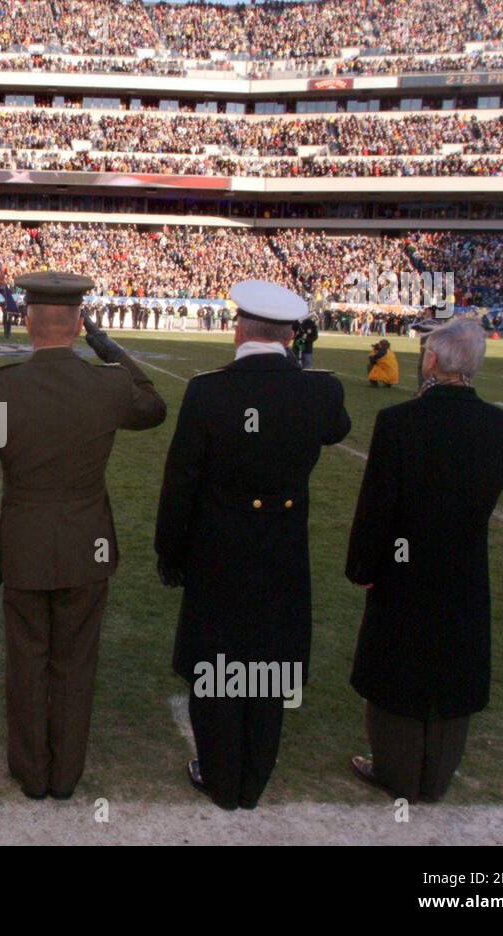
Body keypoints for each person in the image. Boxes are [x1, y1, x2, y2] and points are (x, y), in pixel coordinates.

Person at [0, 272, 166, 800]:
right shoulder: (109, 384)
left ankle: (31, 774)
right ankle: (65, 775)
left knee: (27, 662)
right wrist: (109, 347)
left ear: (26, 323)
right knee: (75, 664)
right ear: (78, 325)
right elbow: (153, 405)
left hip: (25, 543)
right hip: (86, 543)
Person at [154, 280, 351, 811]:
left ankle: (220, 776)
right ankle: (252, 779)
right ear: (291, 334)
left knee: (218, 663)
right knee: (271, 660)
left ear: (238, 329)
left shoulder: (208, 391)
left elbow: (181, 485)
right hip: (283, 550)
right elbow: (336, 428)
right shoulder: (321, 390)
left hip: (217, 550)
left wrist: (169, 556)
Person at [345, 318, 503, 803]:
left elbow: (377, 506)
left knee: (397, 666)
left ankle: (396, 772)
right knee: (453, 666)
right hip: (464, 568)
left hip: (404, 568)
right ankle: (435, 776)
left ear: (432, 361)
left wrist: (362, 566)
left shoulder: (400, 423)